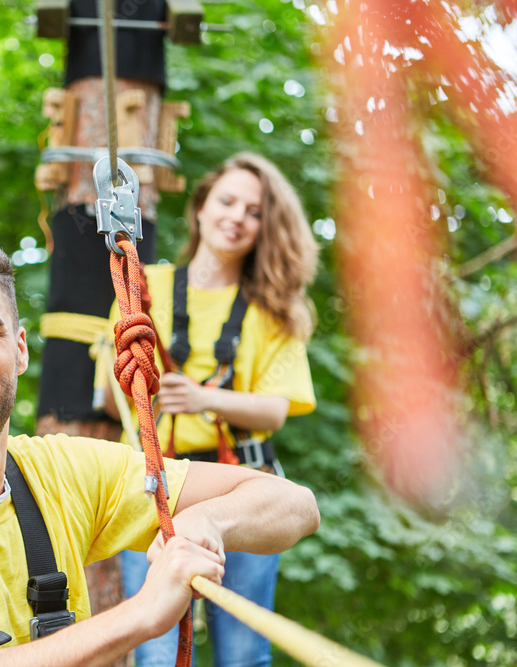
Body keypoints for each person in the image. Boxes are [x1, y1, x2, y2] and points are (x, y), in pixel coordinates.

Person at [0, 233, 319, 667]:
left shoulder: (67, 473)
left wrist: (210, 522)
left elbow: (294, 504)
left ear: (20, 348)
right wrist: (142, 614)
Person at [99, 152, 320, 667]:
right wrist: (144, 382)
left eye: (254, 211)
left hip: (242, 483)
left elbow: (274, 410)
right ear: (201, 208)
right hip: (162, 481)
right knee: (155, 651)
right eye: (228, 201)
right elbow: (115, 401)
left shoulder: (273, 311)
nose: (237, 216)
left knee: (242, 653)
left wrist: (203, 399)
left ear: (266, 228)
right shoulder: (140, 288)